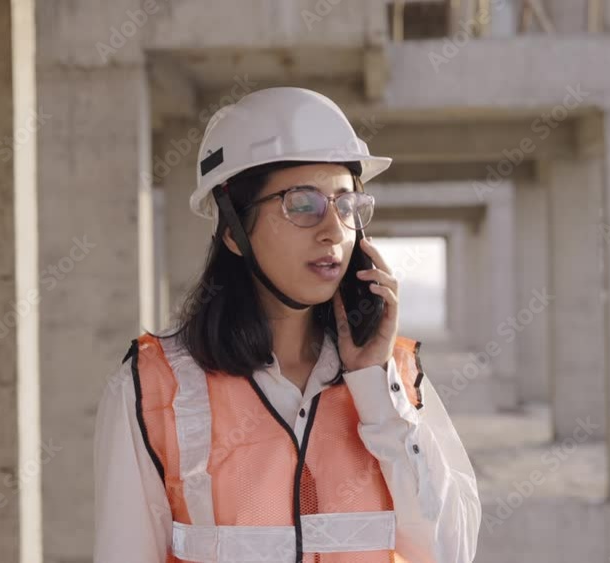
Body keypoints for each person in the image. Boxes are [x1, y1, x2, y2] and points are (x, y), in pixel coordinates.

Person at [93, 87, 481, 562]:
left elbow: (449, 551)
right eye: (302, 204)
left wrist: (373, 386)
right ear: (233, 231)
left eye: (345, 205)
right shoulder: (154, 391)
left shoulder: (393, 376)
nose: (333, 230)